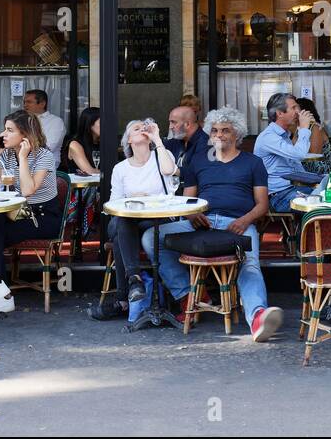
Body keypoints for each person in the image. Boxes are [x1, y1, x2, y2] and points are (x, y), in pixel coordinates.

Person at [157, 107, 283, 342]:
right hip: (201, 225)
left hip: (238, 225)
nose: (219, 135)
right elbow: (188, 198)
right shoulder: (197, 161)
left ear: (237, 134)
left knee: (251, 265)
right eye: (214, 130)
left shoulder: (253, 163)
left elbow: (262, 205)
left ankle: (257, 318)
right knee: (152, 238)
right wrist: (192, 215)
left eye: (225, 130)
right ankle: (187, 294)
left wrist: (245, 220)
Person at [0, 110, 64, 314]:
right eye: (4, 129)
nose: (3, 135)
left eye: (9, 130)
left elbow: (27, 191)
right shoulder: (6, 154)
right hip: (18, 214)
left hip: (42, 217)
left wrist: (23, 158)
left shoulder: (44, 155)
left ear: (24, 134)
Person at [91, 118, 178, 321]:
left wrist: (157, 139)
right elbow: (113, 204)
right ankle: (134, 282)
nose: (142, 130)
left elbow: (169, 171)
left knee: (123, 235)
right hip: (127, 219)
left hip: (157, 219)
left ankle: (125, 295)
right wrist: (133, 200)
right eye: (136, 129)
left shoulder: (162, 156)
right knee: (123, 221)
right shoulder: (121, 168)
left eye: (144, 128)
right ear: (129, 140)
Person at [253, 92, 316, 212]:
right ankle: (304, 231)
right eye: (293, 108)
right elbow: (300, 154)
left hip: (293, 189)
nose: (298, 111)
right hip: (279, 196)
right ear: (280, 113)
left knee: (330, 192)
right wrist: (304, 129)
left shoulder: (284, 135)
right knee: (319, 202)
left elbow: (296, 162)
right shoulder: (269, 137)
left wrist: (318, 180)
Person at [164, 104, 209, 180]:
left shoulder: (205, 143)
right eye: (170, 122)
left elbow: (197, 172)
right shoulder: (176, 140)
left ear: (187, 124)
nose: (170, 127)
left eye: (174, 122)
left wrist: (172, 170)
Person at [23, 88, 66, 164]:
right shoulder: (24, 120)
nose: (25, 105)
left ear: (42, 104)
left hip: (46, 162)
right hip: (23, 160)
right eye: (24, 102)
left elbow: (48, 148)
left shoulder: (56, 122)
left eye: (29, 102)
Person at [295, 97, 331, 176]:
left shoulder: (315, 127)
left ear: (304, 112)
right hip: (301, 166)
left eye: (295, 108)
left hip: (318, 169)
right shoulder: (297, 128)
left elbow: (314, 156)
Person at [61, 106, 101, 176]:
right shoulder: (75, 144)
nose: (106, 126)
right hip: (82, 185)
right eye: (101, 123)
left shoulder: (102, 143)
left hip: (102, 184)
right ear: (90, 124)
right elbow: (89, 171)